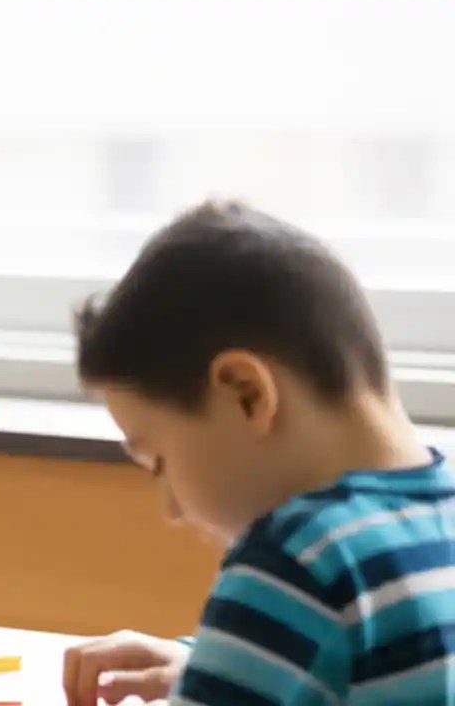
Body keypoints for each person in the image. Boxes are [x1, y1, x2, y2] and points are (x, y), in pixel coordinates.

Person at [61, 200, 453, 705]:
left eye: (159, 461)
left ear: (245, 392)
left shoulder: (298, 557)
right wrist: (223, 661)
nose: (172, 508)